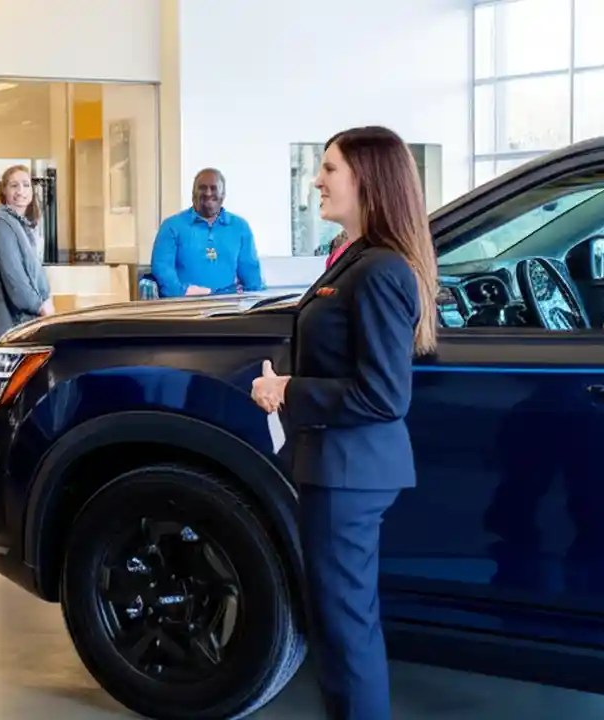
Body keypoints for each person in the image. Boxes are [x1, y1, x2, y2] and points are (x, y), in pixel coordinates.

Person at [250, 125, 438, 719]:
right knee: (340, 623)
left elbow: (384, 395)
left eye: (329, 169)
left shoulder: (380, 270)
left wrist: (288, 389)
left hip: (351, 472)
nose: (317, 180)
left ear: (367, 178)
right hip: (340, 467)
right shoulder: (353, 259)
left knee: (345, 630)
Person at [150, 168, 265, 297]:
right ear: (193, 193)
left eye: (214, 188)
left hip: (228, 309)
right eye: (202, 188)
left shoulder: (240, 227)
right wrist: (184, 293)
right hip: (183, 309)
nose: (208, 193)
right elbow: (162, 270)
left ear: (223, 194)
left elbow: (251, 276)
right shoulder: (171, 226)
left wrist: (255, 305)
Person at [0, 164, 53, 345]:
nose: (21, 191)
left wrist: (46, 299)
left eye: (26, 185)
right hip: (7, 321)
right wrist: (39, 305)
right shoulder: (1, 219)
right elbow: (14, 274)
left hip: (25, 318)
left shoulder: (27, 226)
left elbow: (36, 271)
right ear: (4, 190)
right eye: (14, 185)